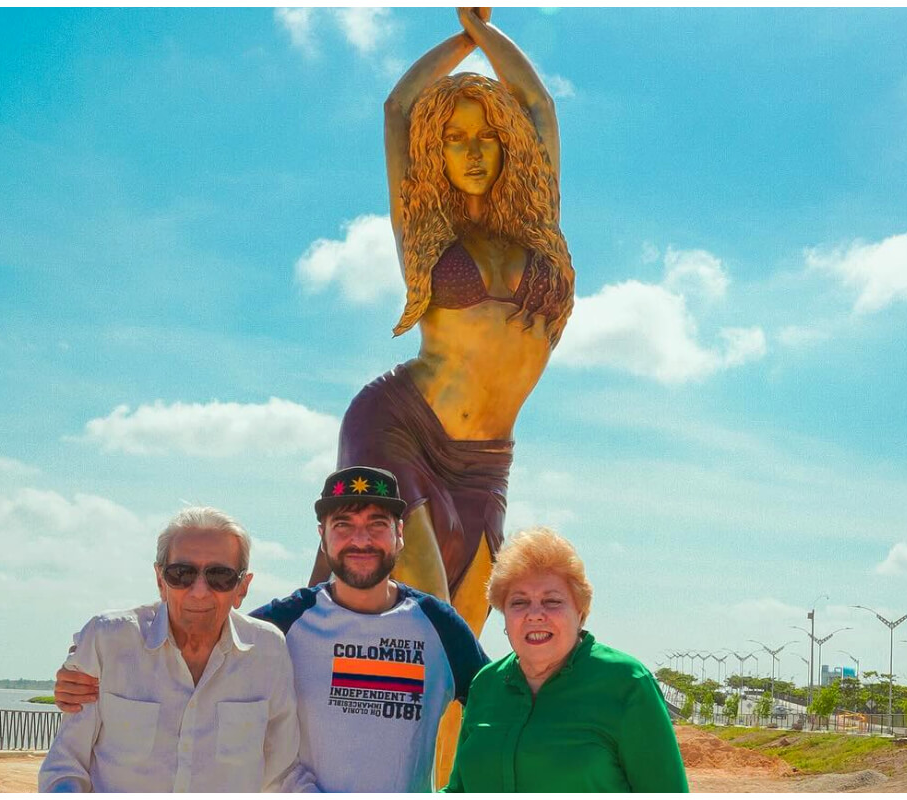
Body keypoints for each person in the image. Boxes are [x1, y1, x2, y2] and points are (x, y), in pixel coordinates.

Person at [308, 8, 575, 642]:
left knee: (465, 638)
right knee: (428, 619)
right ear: (437, 149)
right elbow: (398, 108)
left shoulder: (539, 227)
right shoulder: (425, 233)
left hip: (487, 460)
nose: (473, 151)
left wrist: (487, 31)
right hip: (401, 425)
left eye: (487, 136)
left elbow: (538, 104)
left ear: (508, 144)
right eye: (455, 137)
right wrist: (464, 31)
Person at [53, 467, 488, 793]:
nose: (361, 539)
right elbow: (199, 617)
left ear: (399, 534)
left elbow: (503, 703)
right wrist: (88, 660)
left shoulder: (440, 626)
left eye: (377, 524)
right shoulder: (283, 625)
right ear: (322, 537)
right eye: (343, 526)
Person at [38, 508, 312, 793]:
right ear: (160, 581)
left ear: (242, 587)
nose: (199, 591)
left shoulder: (268, 651)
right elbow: (66, 765)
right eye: (182, 574)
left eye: (220, 576)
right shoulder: (107, 641)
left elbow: (281, 775)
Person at [443, 528, 689, 793]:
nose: (535, 614)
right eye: (519, 602)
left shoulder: (627, 684)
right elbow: (460, 790)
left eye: (551, 601)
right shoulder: (485, 685)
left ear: (580, 612)